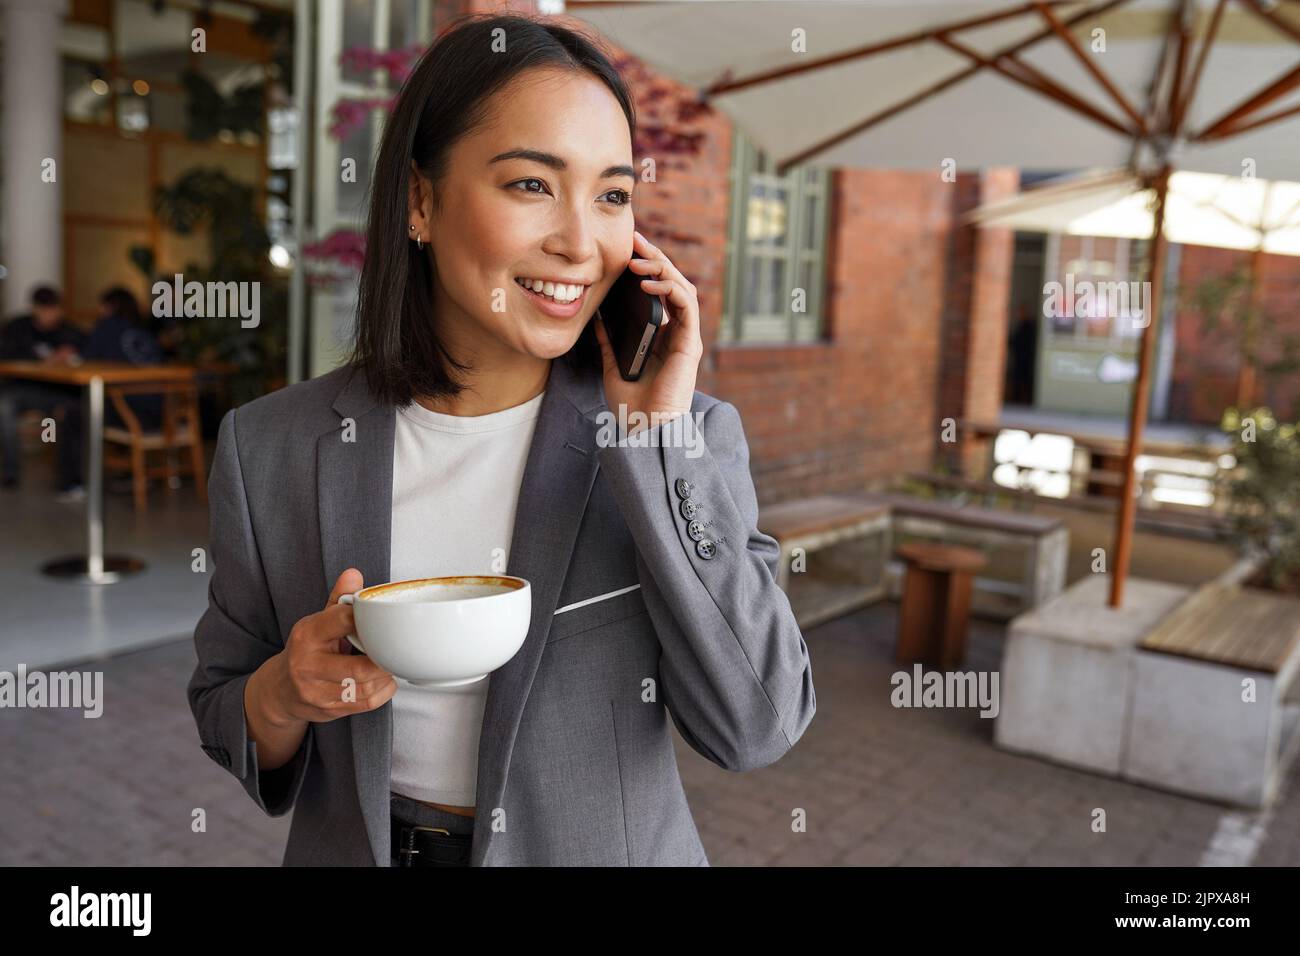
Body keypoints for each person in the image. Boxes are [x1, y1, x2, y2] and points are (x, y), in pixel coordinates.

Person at [188, 12, 816, 868]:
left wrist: (653, 437)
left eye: (613, 195)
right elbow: (226, 708)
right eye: (531, 185)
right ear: (420, 200)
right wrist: (285, 691)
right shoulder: (271, 447)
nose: (580, 242)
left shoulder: (681, 440)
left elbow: (758, 725)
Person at [50, 287, 166, 501]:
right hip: (161, 415)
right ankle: (131, 473)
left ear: (110, 306)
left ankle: (72, 484)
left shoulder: (106, 328)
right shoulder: (143, 330)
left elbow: (87, 360)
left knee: (72, 413)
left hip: (130, 415)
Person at [0, 285, 86, 492]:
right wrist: (41, 360)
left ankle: (69, 479)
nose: (50, 315)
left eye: (54, 310)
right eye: (45, 310)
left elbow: (84, 348)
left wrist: (69, 354)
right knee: (3, 407)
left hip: (57, 391)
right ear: (35, 309)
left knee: (72, 411)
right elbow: (6, 356)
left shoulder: (69, 330)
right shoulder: (17, 328)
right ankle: (11, 471)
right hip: (22, 389)